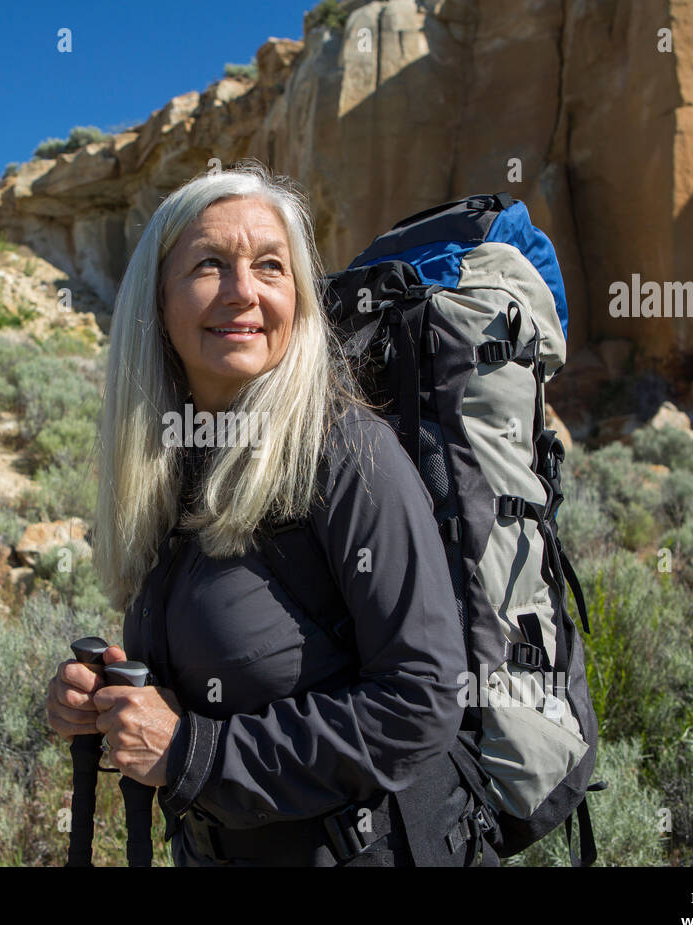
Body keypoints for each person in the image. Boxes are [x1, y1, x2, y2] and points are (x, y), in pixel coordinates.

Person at [44, 159, 491, 866]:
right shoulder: (170, 469)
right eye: (210, 265)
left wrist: (192, 753)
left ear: (301, 301)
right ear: (158, 301)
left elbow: (422, 702)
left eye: (271, 267)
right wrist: (113, 705)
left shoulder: (349, 455)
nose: (243, 292)